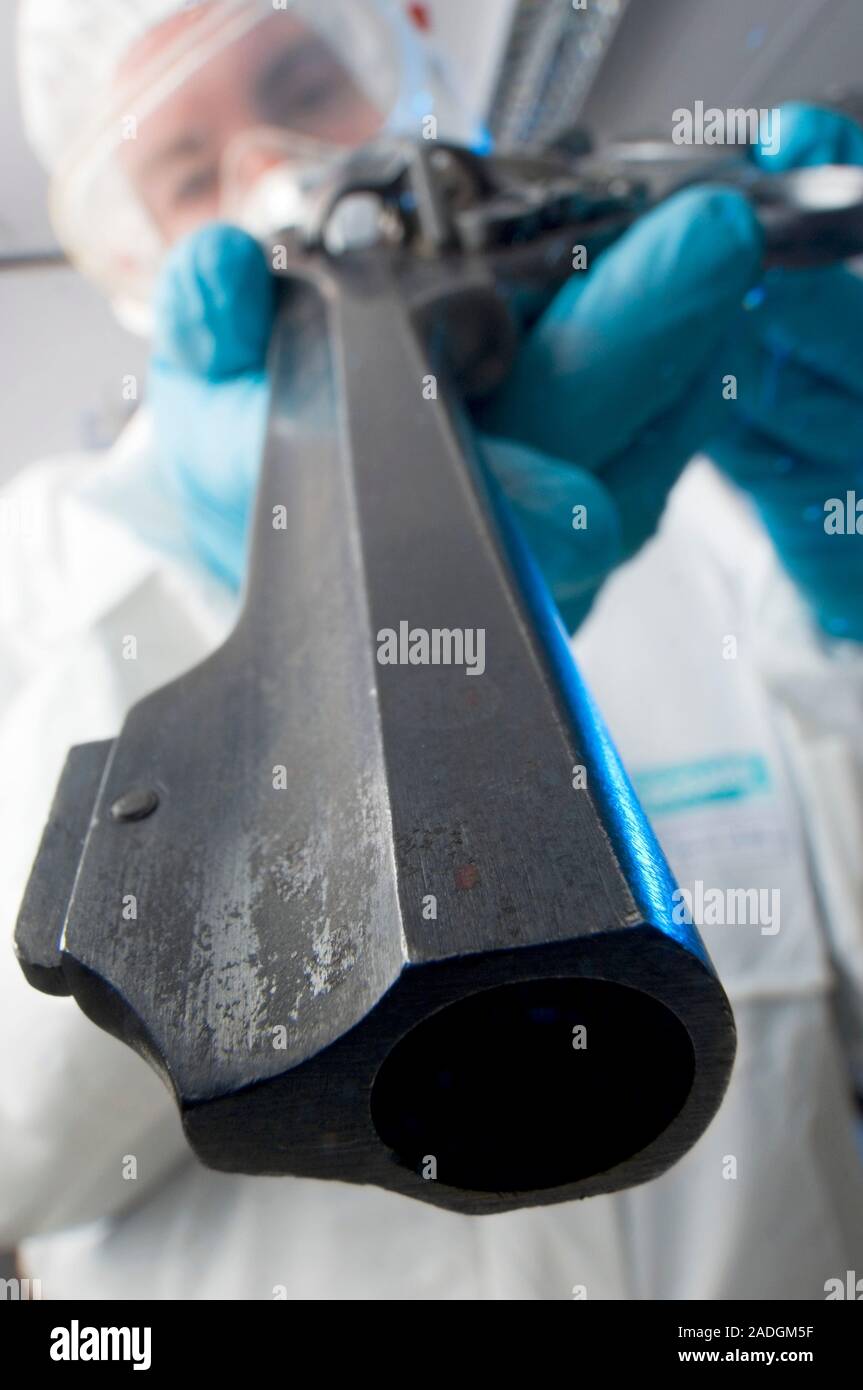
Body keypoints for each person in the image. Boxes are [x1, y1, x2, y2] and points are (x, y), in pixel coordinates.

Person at [2, 0, 862, 1299]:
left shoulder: (702, 494)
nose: (275, 168)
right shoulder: (48, 558)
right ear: (133, 250)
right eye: (187, 168)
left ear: (406, 65)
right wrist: (228, 609)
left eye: (303, 83)